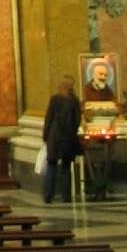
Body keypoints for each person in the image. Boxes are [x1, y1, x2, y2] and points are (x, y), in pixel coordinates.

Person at [41, 74, 82, 203]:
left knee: (51, 165)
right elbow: (77, 120)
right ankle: (66, 196)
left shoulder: (54, 100)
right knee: (66, 167)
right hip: (68, 137)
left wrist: (46, 136)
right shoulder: (74, 101)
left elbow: (48, 119)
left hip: (54, 136)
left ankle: (48, 195)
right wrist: (73, 132)